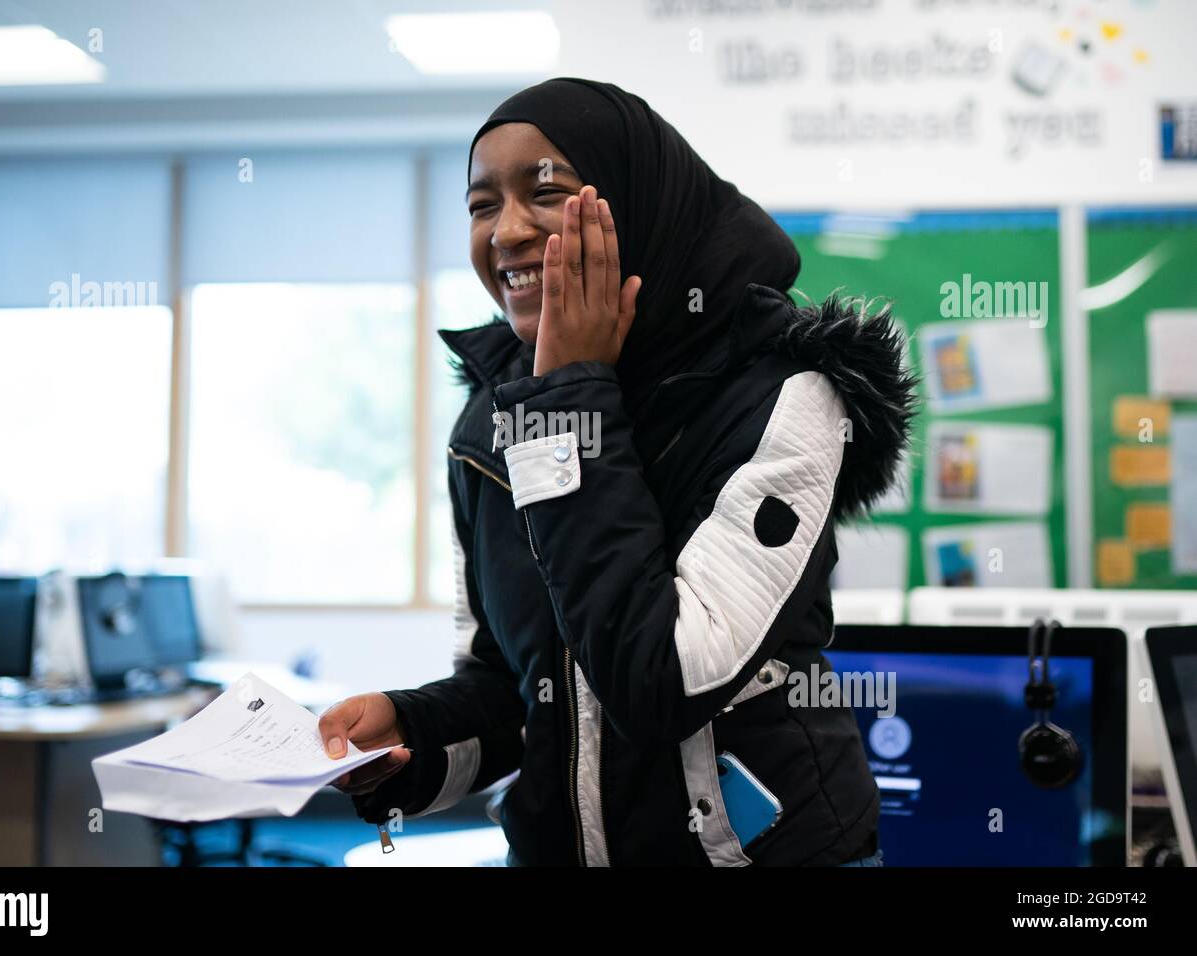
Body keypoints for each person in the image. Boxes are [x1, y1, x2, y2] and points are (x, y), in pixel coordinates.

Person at [318, 77, 914, 866]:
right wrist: (411, 736)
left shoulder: (784, 399)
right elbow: (516, 685)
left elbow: (659, 683)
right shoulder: (493, 420)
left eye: (547, 193)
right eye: (481, 204)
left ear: (639, 204)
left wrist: (570, 402)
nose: (506, 231)